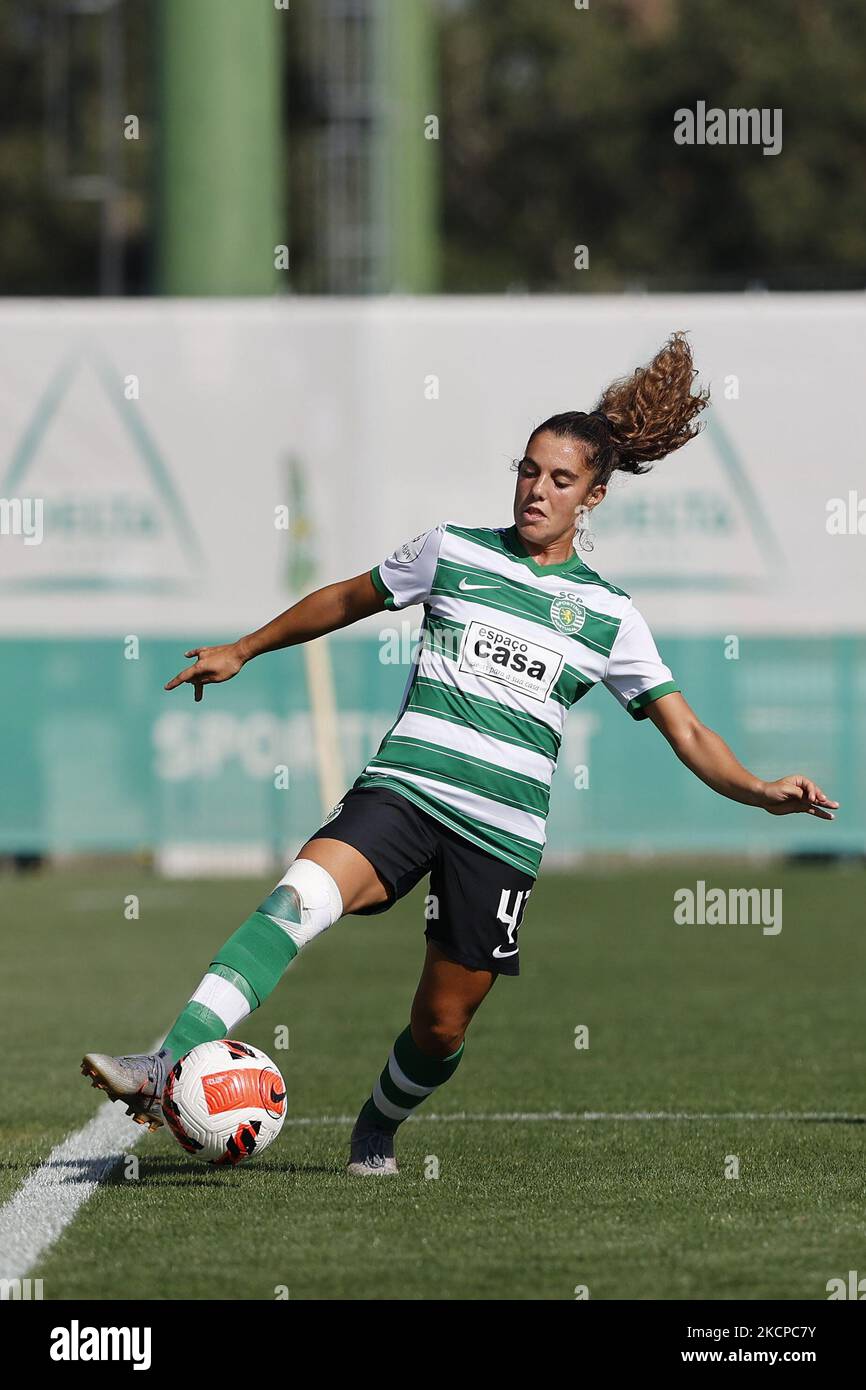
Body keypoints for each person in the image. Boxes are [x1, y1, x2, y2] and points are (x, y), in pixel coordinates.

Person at [81, 332, 838, 1175]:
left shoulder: (609, 615)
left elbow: (688, 731)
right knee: (295, 901)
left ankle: (378, 1123)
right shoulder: (455, 551)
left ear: (592, 496)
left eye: (560, 480)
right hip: (403, 793)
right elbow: (346, 596)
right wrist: (244, 648)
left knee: (442, 1026)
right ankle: (165, 1063)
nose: (537, 490)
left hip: (499, 836)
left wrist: (762, 790)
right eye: (528, 469)